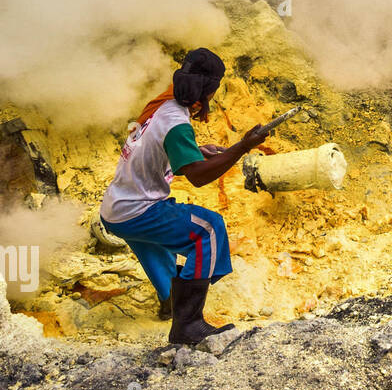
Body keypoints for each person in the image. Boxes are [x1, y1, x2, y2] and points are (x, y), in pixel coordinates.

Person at [99, 48, 268, 345]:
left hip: (114, 210)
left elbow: (157, 144)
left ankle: (170, 304)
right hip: (139, 209)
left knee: (157, 252)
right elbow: (198, 177)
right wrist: (242, 146)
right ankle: (188, 325)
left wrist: (195, 150)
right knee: (209, 229)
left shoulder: (161, 105)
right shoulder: (177, 122)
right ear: (209, 89)